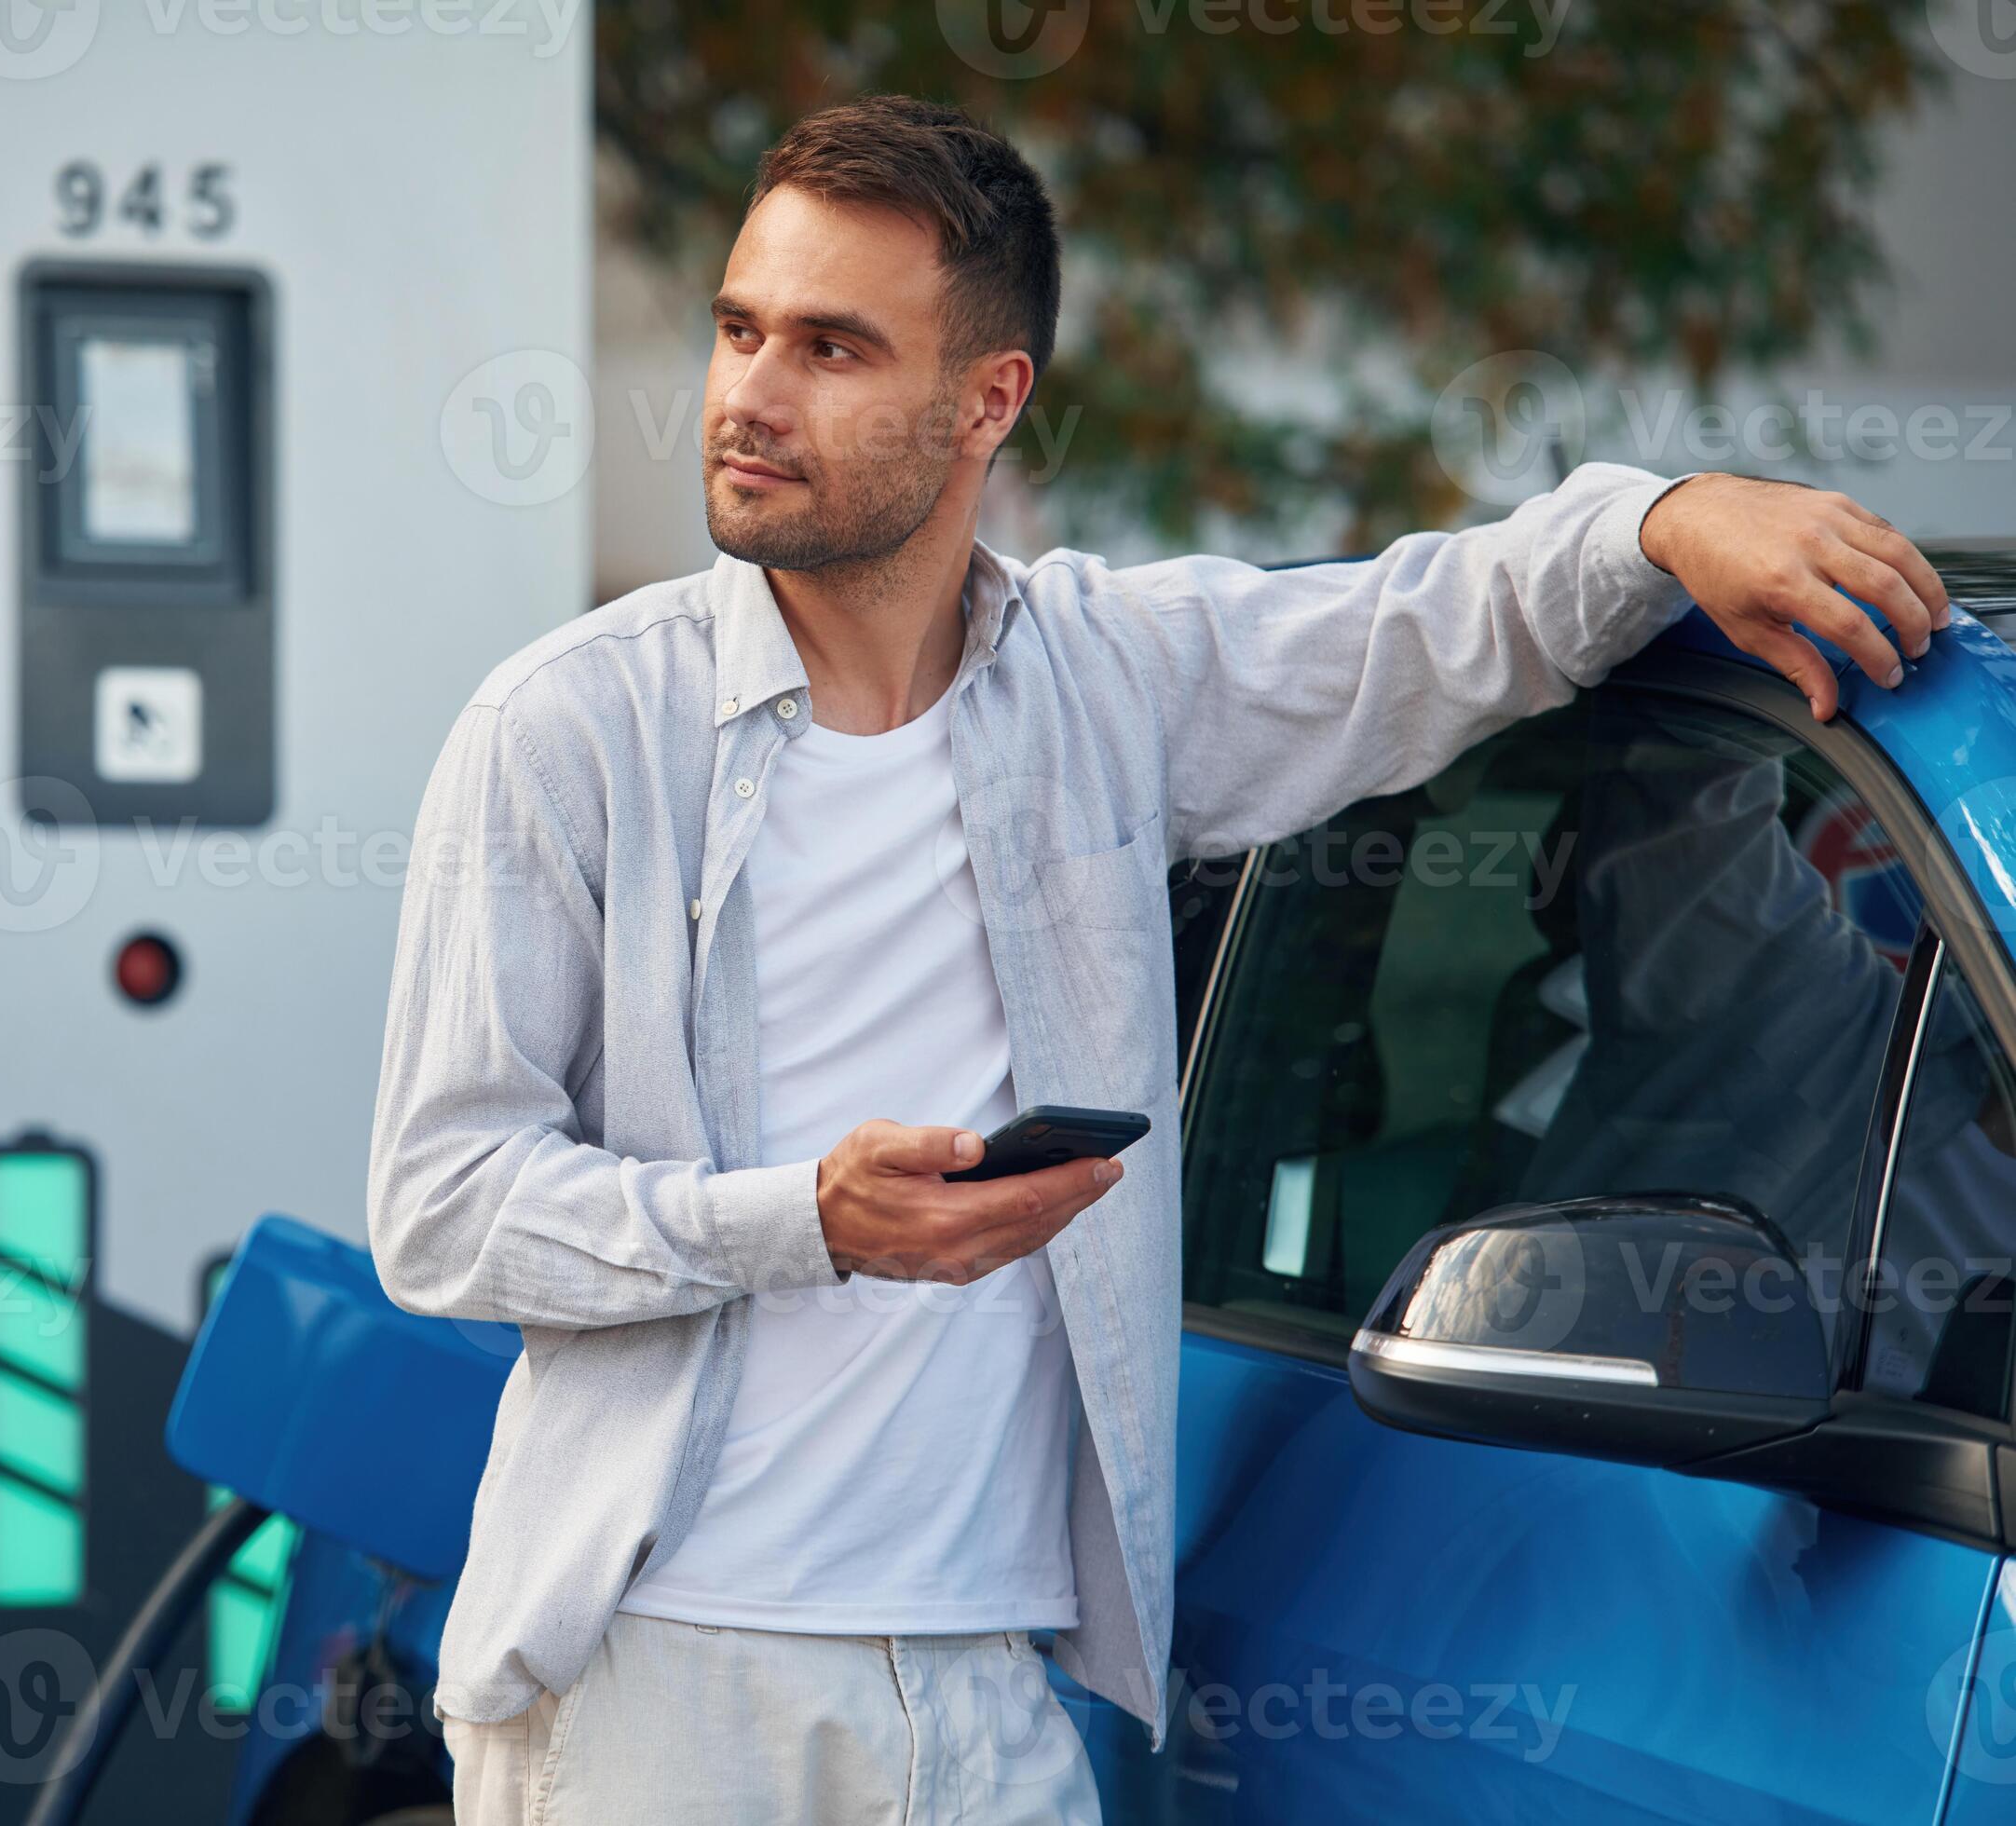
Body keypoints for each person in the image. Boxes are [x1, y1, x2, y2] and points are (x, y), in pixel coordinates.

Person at [365, 93, 1951, 1824]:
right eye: (740, 329)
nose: (749, 393)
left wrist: (1670, 516)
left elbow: (1441, 622)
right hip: (667, 1674)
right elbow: (442, 1204)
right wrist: (804, 1222)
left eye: (831, 348)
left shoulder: (1104, 681)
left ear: (990, 400)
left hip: (988, 1687)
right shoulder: (569, 733)